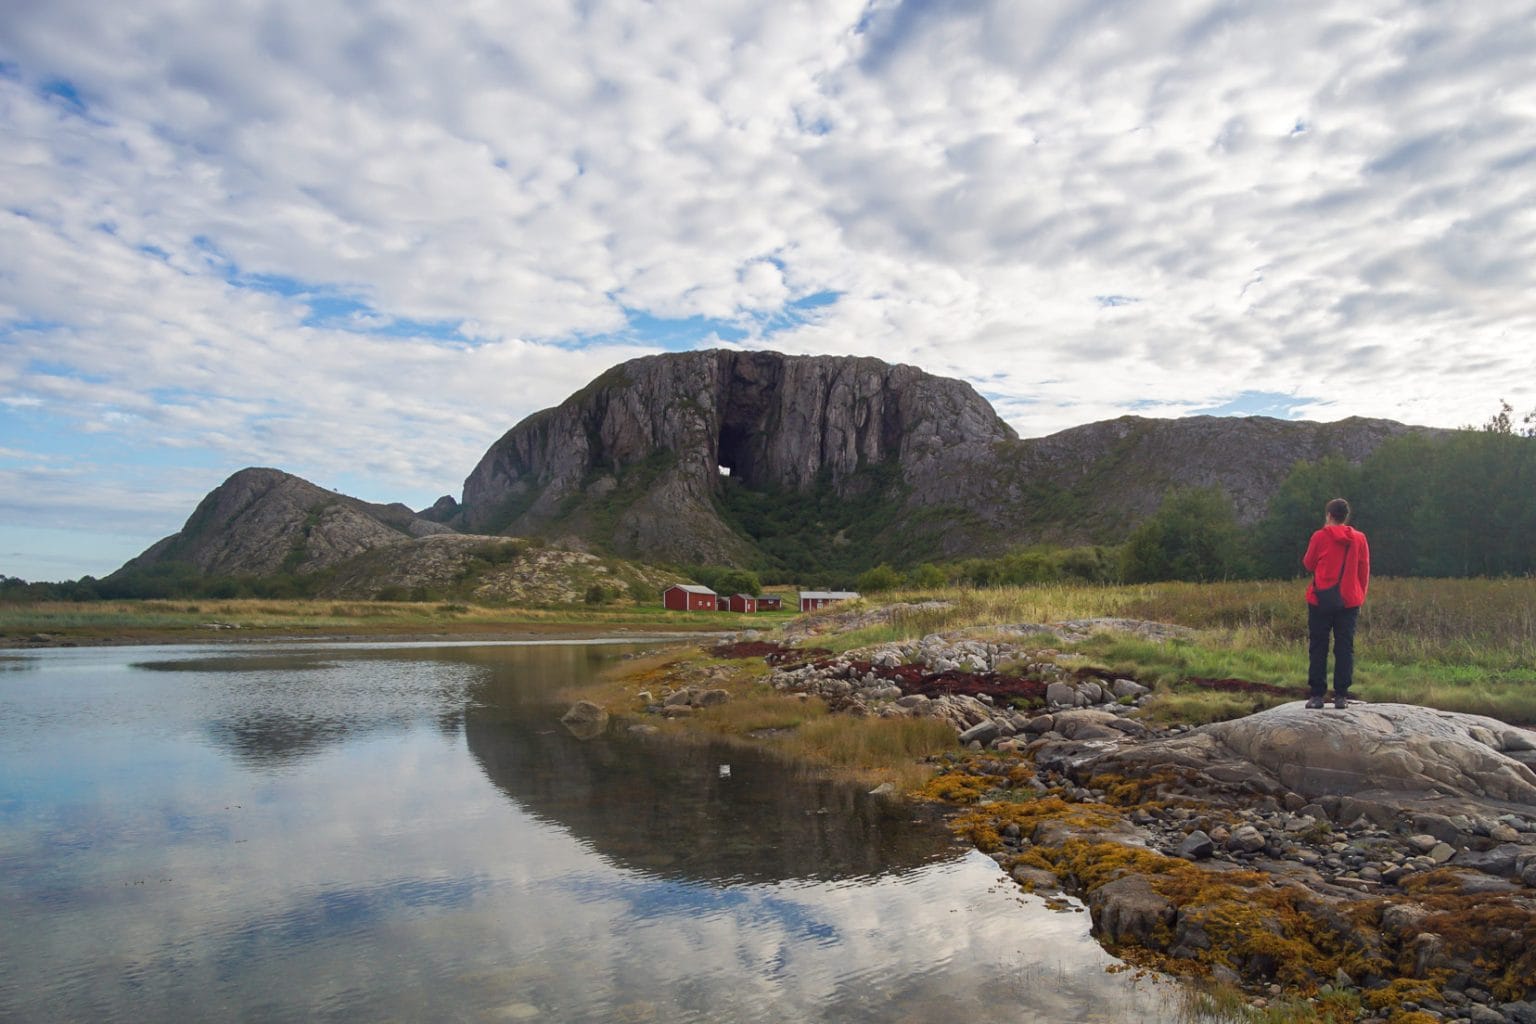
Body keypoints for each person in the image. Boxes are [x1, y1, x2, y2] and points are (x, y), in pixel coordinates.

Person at [1302, 498, 1371, 709]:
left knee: (1318, 646)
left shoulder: (1320, 536)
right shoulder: (1359, 539)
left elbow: (1308, 564)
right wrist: (1360, 594)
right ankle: (1341, 695)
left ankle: (1317, 696)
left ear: (1329, 515)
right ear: (1345, 516)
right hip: (1350, 601)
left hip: (1320, 599)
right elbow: (1364, 569)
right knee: (1344, 647)